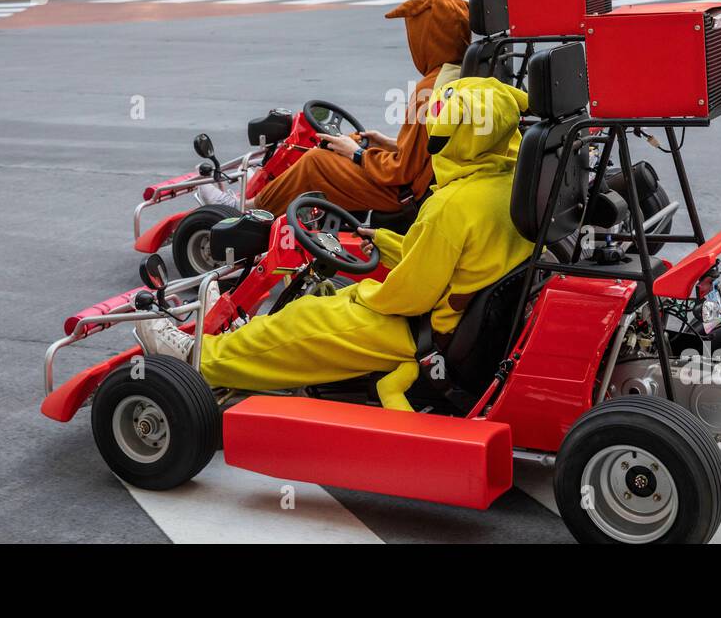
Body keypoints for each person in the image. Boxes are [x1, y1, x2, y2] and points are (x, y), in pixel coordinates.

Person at [136, 75, 534, 412]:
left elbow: (408, 296)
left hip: (425, 333)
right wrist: (381, 242)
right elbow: (454, 259)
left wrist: (363, 296)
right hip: (462, 328)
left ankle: (199, 358)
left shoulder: (453, 205)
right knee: (329, 298)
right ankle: (241, 353)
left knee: (304, 319)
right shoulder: (508, 186)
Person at [204, 0, 470, 217]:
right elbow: (430, 149)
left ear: (428, 39)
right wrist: (389, 144)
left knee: (316, 160)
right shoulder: (464, 73)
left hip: (404, 195)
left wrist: (357, 154)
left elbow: (402, 172)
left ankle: (246, 209)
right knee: (342, 144)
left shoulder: (430, 88)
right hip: (432, 182)